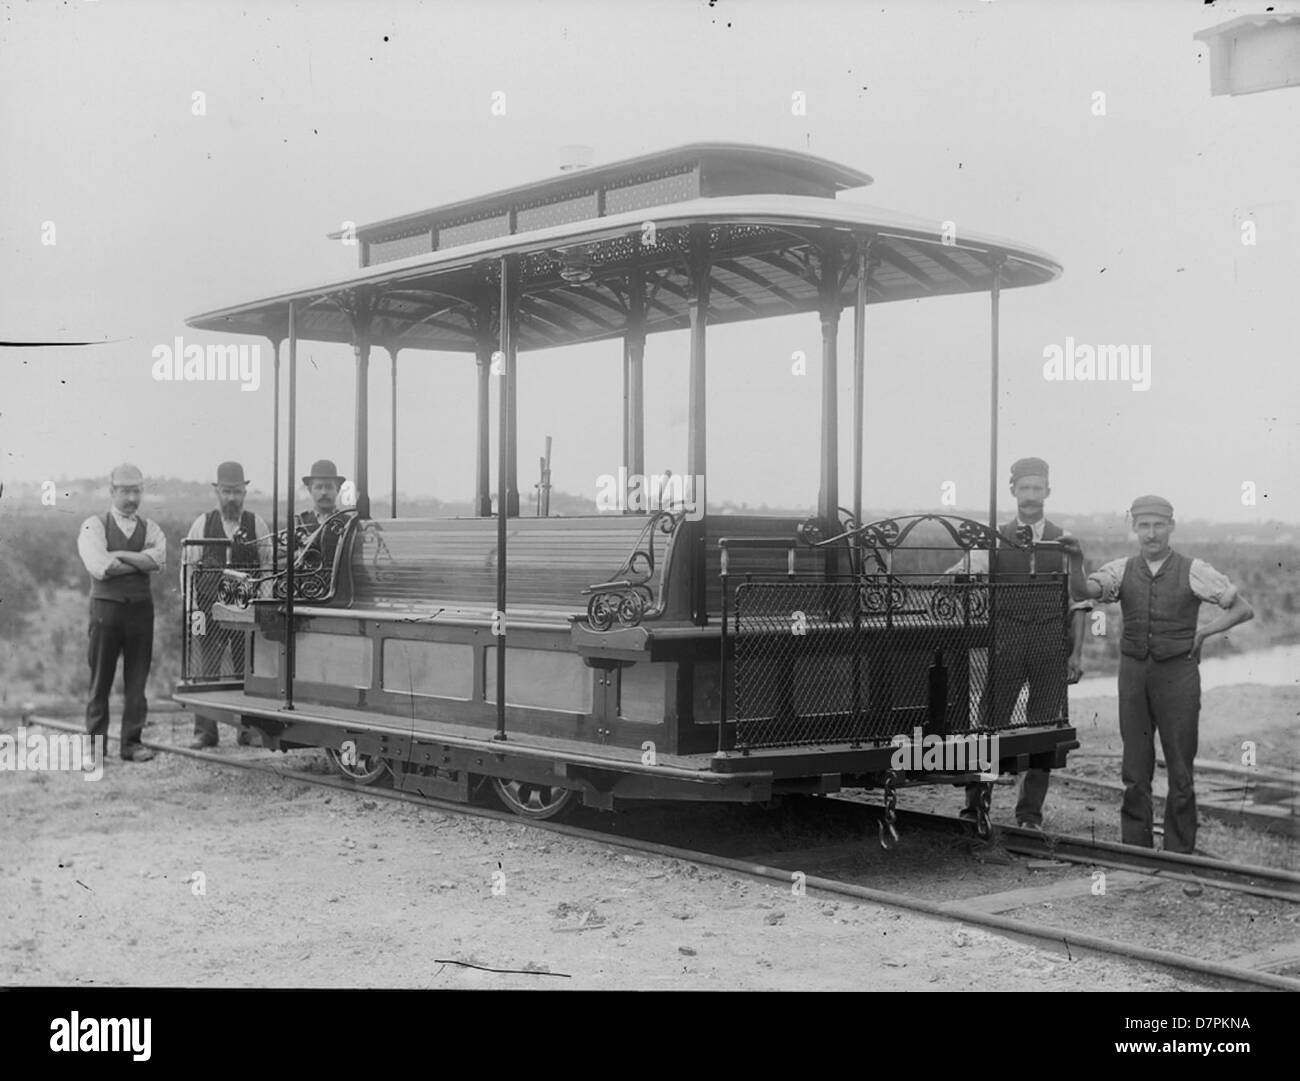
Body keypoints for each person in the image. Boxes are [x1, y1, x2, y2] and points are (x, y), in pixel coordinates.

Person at [1071, 495, 1253, 854]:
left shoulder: (1194, 569)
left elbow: (1242, 609)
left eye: (1158, 525)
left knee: (1181, 771)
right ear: (1134, 528)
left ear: (1171, 527)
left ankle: (1178, 853)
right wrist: (1075, 559)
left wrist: (1203, 633)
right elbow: (1081, 592)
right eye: (1144, 526)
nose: (1151, 534)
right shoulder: (1122, 569)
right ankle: (1135, 850)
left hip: (1178, 675)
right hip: (1133, 674)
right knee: (1135, 770)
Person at [949, 457, 1090, 830]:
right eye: (1024, 488)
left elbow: (1079, 602)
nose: (1031, 496)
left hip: (1049, 649)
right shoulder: (994, 539)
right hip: (1005, 646)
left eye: (1037, 488)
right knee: (988, 727)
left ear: (1047, 491)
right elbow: (963, 572)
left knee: (1042, 730)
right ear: (1012, 491)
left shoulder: (1064, 542)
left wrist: (1076, 655)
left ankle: (1029, 816)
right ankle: (975, 808)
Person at [77, 464, 167, 763]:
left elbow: (158, 560)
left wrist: (119, 555)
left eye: (136, 490)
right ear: (112, 491)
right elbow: (101, 567)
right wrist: (139, 561)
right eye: (125, 491)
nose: (131, 497)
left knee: (137, 681)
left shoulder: (150, 527)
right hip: (106, 611)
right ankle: (94, 747)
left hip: (141, 612)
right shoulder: (95, 525)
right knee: (100, 679)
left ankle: (131, 743)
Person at [182, 461, 272, 748]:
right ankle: (204, 732)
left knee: (247, 670)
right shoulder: (202, 523)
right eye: (226, 491)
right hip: (209, 610)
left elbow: (268, 565)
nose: (231, 498)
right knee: (204, 670)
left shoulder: (256, 523)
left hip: (245, 610)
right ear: (216, 491)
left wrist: (265, 602)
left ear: (244, 491)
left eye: (236, 491)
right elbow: (188, 566)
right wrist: (191, 610)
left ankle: (249, 730)